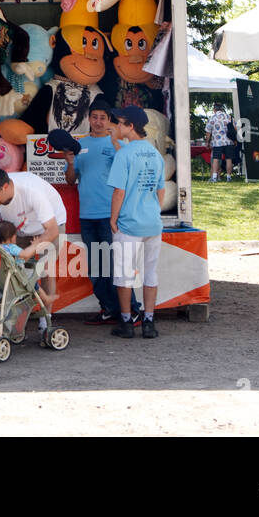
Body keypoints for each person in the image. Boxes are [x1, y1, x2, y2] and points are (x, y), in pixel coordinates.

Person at [0, 166, 67, 339]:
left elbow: (52, 230)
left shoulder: (31, 190)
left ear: (5, 186)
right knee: (13, 273)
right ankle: (16, 323)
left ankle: (45, 322)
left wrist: (31, 249)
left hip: (48, 226)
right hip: (14, 230)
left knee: (45, 270)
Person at [106, 106, 166, 338]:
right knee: (151, 273)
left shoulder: (125, 154)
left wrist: (113, 218)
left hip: (129, 224)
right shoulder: (155, 154)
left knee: (124, 275)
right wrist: (152, 211)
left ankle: (127, 322)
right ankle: (149, 322)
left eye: (120, 123)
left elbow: (119, 192)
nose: (117, 127)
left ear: (131, 126)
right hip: (152, 223)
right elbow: (160, 191)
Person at [64, 97, 124, 325]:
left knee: (111, 266)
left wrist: (116, 142)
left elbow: (127, 173)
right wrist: (70, 163)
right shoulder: (80, 146)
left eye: (103, 118)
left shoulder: (116, 144)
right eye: (95, 117)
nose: (98, 122)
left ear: (109, 120)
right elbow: (70, 180)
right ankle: (109, 309)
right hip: (87, 217)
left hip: (110, 216)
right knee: (97, 268)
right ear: (88, 119)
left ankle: (124, 311)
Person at [204, 102, 233, 181]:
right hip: (228, 141)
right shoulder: (228, 117)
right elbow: (235, 128)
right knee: (228, 159)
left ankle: (214, 177)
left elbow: (208, 131)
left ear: (214, 110)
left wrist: (207, 142)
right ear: (222, 109)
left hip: (217, 142)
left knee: (216, 159)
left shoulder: (212, 118)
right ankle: (229, 177)